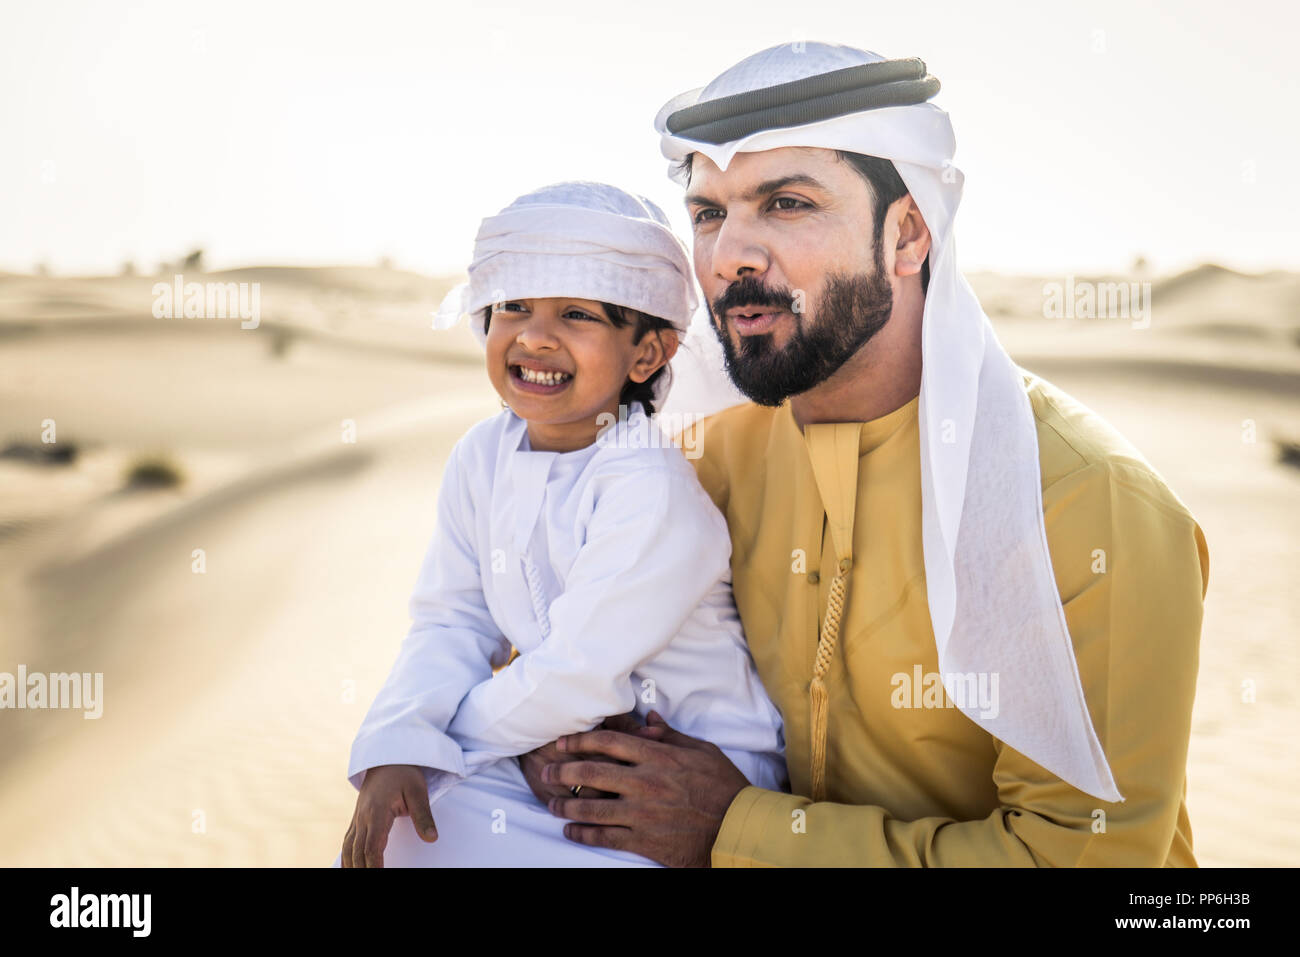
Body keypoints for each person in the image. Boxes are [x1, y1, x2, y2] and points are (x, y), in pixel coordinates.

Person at [524, 42, 1208, 867]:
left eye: (785, 203)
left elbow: (1083, 861)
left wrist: (733, 832)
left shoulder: (1084, 502)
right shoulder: (707, 462)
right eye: (709, 213)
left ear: (908, 234)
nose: (728, 254)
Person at [334, 180, 786, 868]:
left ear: (647, 354)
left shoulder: (649, 486)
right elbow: (451, 620)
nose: (534, 336)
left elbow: (579, 672)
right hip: (543, 746)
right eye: (513, 305)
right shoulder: (480, 457)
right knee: (409, 829)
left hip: (680, 780)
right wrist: (402, 742)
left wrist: (438, 740)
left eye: (576, 313)